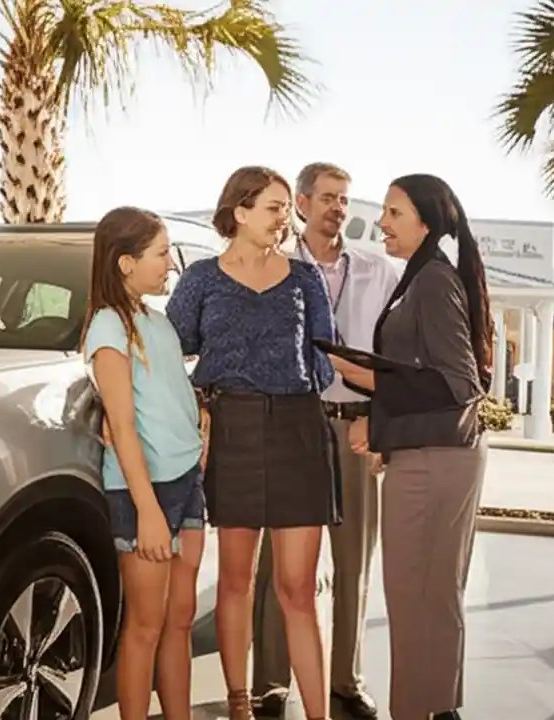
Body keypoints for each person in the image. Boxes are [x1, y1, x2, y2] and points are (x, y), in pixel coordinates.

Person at [166, 166, 340, 720]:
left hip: (297, 431)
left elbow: (325, 354)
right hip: (233, 430)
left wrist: (292, 389)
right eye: (273, 206)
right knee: (236, 581)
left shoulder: (304, 279)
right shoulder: (201, 280)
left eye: (286, 207)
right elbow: (173, 347)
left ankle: (318, 714)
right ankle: (239, 703)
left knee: (297, 590)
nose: (283, 217)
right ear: (239, 212)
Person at [325, 174, 493, 720]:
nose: (382, 222)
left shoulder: (434, 281)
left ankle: (427, 711)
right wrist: (377, 411)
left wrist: (363, 379)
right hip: (426, 456)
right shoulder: (420, 277)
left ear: (425, 222)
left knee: (424, 598)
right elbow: (419, 373)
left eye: (394, 213)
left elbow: (459, 385)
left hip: (436, 462)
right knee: (423, 598)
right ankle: (434, 709)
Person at [253, 162, 399, 719]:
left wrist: (382, 423)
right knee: (280, 562)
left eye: (346, 199)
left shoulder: (378, 271)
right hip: (294, 424)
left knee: (354, 560)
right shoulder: (277, 269)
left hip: (358, 425)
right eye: (329, 198)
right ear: (303, 205)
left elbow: (394, 354)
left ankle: (346, 679)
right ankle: (270, 681)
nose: (340, 207)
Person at [83, 206, 207, 720]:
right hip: (144, 495)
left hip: (187, 484)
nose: (169, 266)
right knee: (145, 626)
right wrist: (148, 510)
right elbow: (124, 426)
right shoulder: (108, 328)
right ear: (125, 263)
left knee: (180, 620)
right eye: (160, 254)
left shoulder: (160, 323)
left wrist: (200, 418)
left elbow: (170, 396)